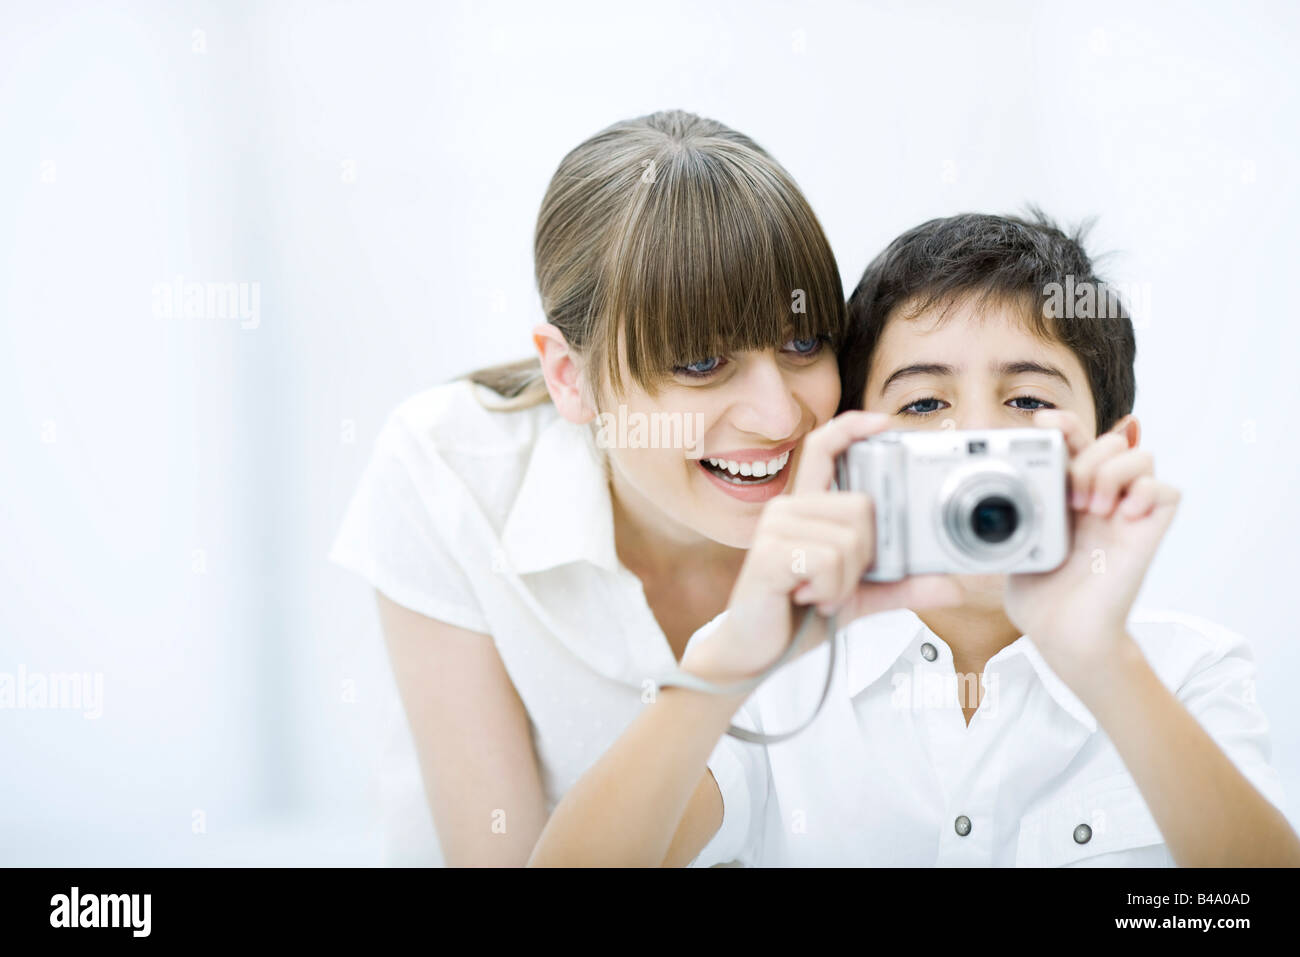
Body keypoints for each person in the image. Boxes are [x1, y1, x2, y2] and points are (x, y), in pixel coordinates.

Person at [528, 211, 1300, 866]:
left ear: (1110, 447)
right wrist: (728, 667)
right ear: (856, 447)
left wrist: (1106, 666)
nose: (977, 438)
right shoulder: (778, 683)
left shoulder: (1187, 671)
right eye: (925, 404)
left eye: (1027, 398)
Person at [327, 109, 914, 865]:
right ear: (570, 376)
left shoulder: (889, 478)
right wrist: (722, 668)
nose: (778, 416)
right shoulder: (450, 471)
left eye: (803, 344)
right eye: (701, 362)